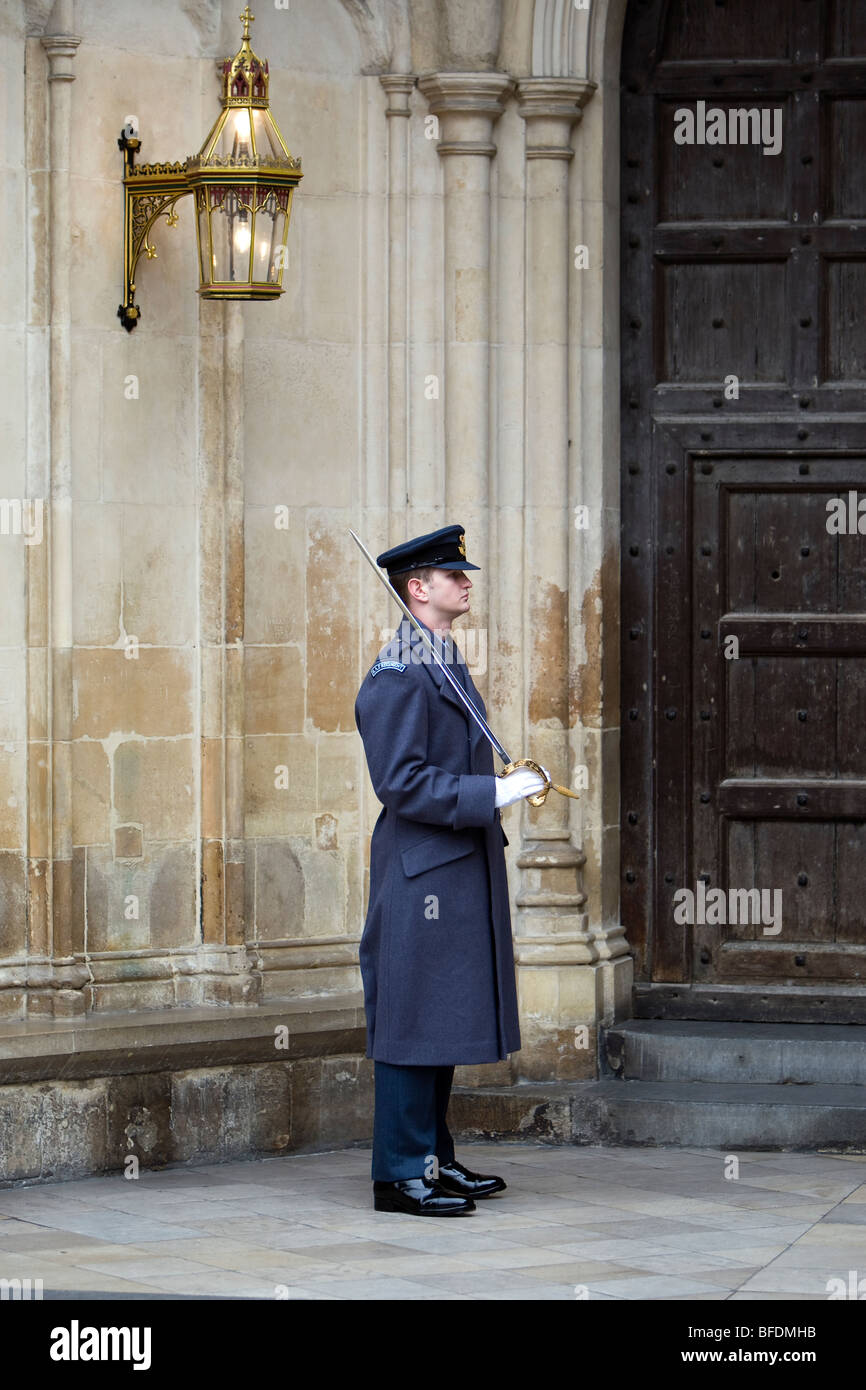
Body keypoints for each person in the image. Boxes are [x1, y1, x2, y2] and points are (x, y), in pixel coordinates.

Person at [354, 524, 546, 1216]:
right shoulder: (398, 673)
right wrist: (491, 793)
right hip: (422, 872)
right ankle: (401, 1174)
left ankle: (434, 1158)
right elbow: (401, 782)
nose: (466, 583)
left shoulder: (441, 658)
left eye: (463, 574)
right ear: (417, 588)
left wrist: (497, 788)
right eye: (452, 574)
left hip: (454, 864)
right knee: (412, 1022)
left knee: (437, 1017)